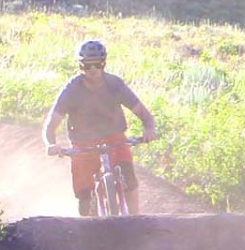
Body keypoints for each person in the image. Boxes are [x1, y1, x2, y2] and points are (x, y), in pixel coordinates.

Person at [42, 39, 158, 215]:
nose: (93, 70)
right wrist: (51, 144)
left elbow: (143, 112)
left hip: (116, 140)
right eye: (88, 66)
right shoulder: (71, 90)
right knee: (84, 199)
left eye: (98, 65)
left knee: (129, 179)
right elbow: (51, 124)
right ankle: (89, 233)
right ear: (81, 67)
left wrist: (149, 129)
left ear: (104, 64)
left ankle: (136, 221)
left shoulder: (115, 85)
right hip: (83, 145)